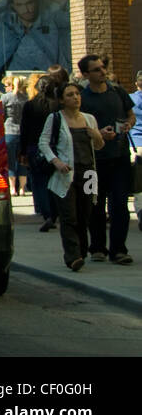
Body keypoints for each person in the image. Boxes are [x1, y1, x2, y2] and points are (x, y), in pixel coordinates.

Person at [77, 54, 136, 264]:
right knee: (95, 204)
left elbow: (131, 114)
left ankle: (119, 249)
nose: (102, 72)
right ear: (85, 74)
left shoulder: (117, 91)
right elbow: (77, 126)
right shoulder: (82, 98)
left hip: (119, 157)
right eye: (96, 70)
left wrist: (128, 123)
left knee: (120, 204)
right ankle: (97, 247)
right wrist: (98, 133)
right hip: (93, 161)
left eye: (102, 68)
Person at [42, 83, 104, 271]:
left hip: (89, 174)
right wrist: (57, 161)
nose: (75, 97)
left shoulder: (89, 119)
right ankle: (73, 256)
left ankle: (81, 252)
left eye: (77, 94)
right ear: (61, 99)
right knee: (69, 216)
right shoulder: (55, 119)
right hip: (66, 175)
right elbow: (43, 143)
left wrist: (96, 135)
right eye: (70, 95)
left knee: (85, 214)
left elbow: (99, 146)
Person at [21, 70, 70, 231]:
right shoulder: (58, 106)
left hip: (34, 147)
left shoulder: (30, 105)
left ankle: (46, 213)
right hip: (55, 146)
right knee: (55, 180)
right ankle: (56, 211)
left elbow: (24, 129)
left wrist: (22, 152)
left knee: (39, 181)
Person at [1, 75, 28, 196]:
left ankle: (12, 188)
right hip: (22, 131)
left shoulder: (6, 97)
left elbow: (0, 114)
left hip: (9, 130)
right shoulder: (26, 98)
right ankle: (22, 188)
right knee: (22, 161)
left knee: (10, 161)